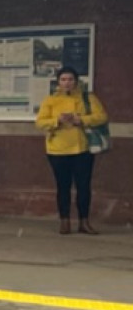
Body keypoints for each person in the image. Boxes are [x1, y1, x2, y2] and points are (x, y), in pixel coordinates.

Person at [35, 66, 109, 234]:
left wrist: (80, 119)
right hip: (57, 149)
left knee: (83, 186)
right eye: (63, 79)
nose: (66, 83)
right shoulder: (50, 100)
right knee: (63, 186)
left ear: (76, 81)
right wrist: (57, 121)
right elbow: (40, 122)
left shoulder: (87, 97)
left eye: (70, 79)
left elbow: (102, 116)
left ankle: (84, 221)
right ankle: (65, 221)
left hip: (82, 148)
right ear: (58, 82)